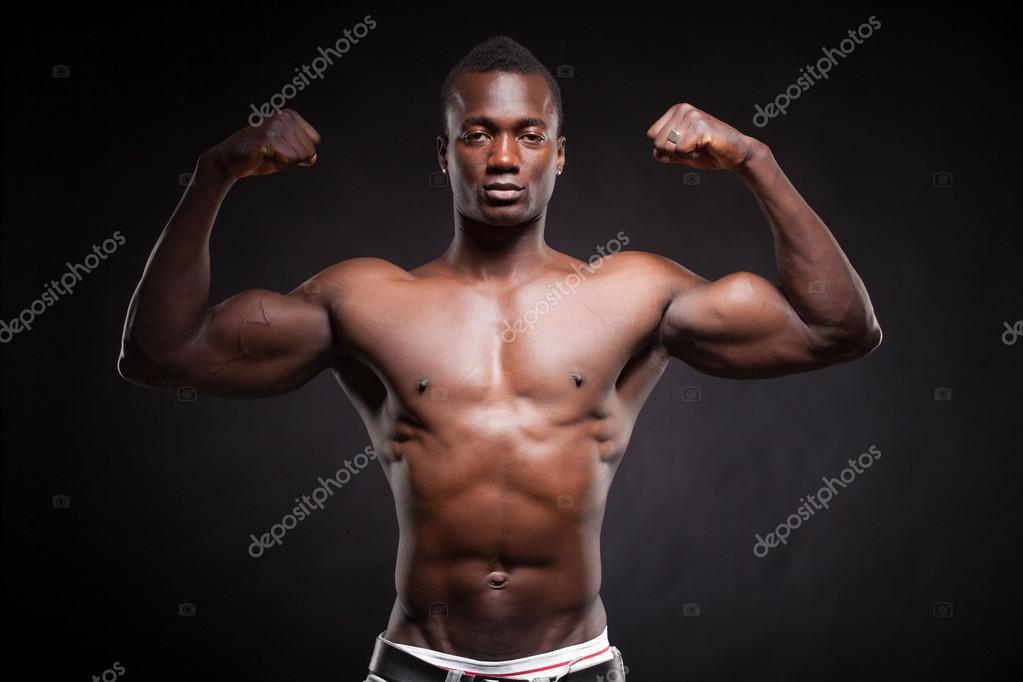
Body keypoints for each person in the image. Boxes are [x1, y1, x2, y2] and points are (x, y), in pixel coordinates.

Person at [117, 34, 882, 682]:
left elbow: (836, 330)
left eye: (528, 134)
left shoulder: (632, 291)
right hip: (416, 661)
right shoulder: (364, 298)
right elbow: (161, 354)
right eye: (478, 134)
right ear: (444, 153)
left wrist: (755, 159)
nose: (504, 157)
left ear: (559, 154)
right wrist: (214, 175)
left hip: (575, 664)